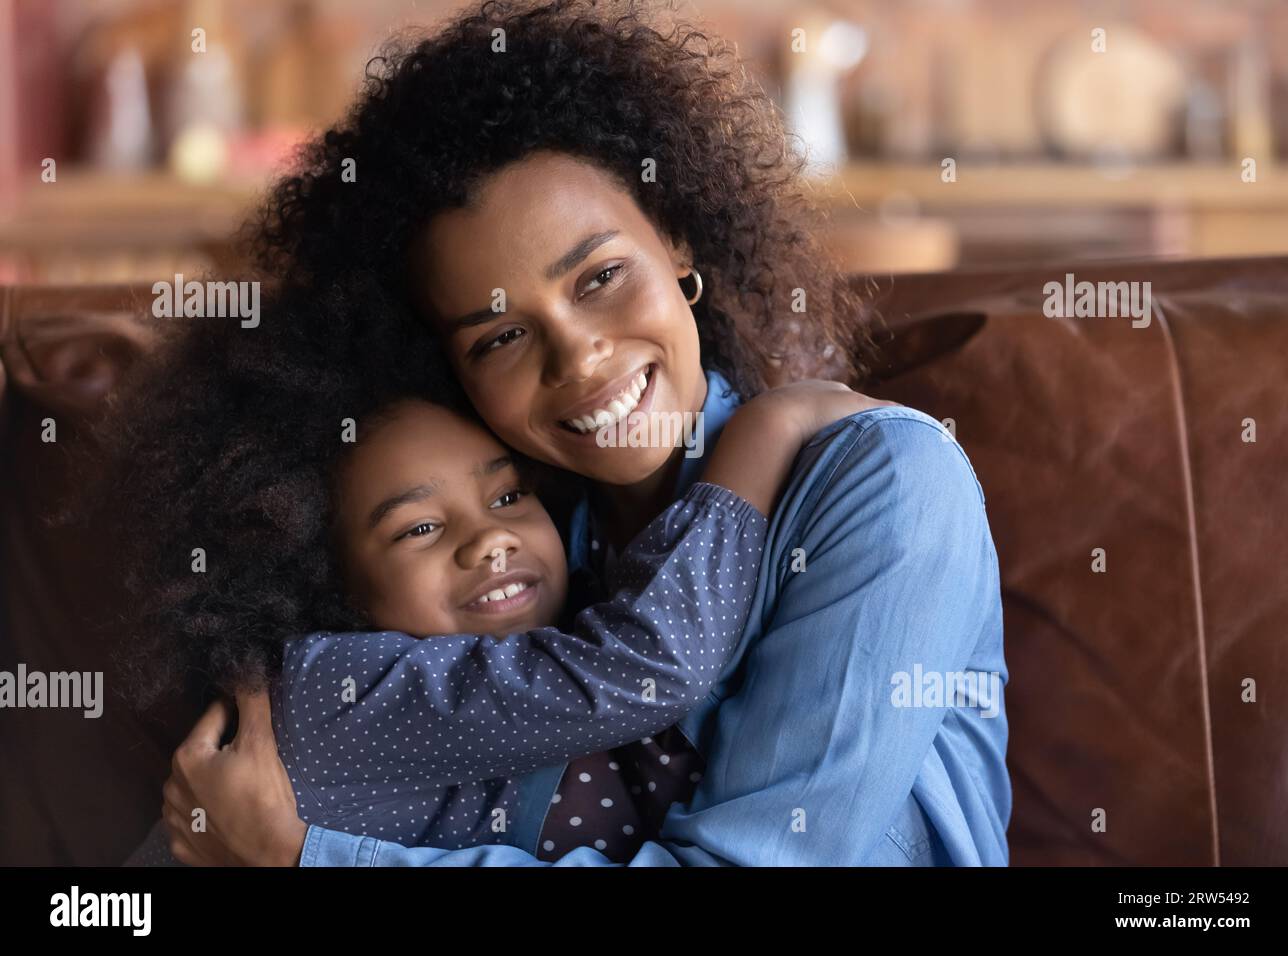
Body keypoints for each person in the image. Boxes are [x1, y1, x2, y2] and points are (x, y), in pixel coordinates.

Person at [161, 0, 1011, 866]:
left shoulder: (886, 481)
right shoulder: (528, 547)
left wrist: (306, 858)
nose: (578, 356)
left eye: (600, 276)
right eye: (500, 336)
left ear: (676, 242)